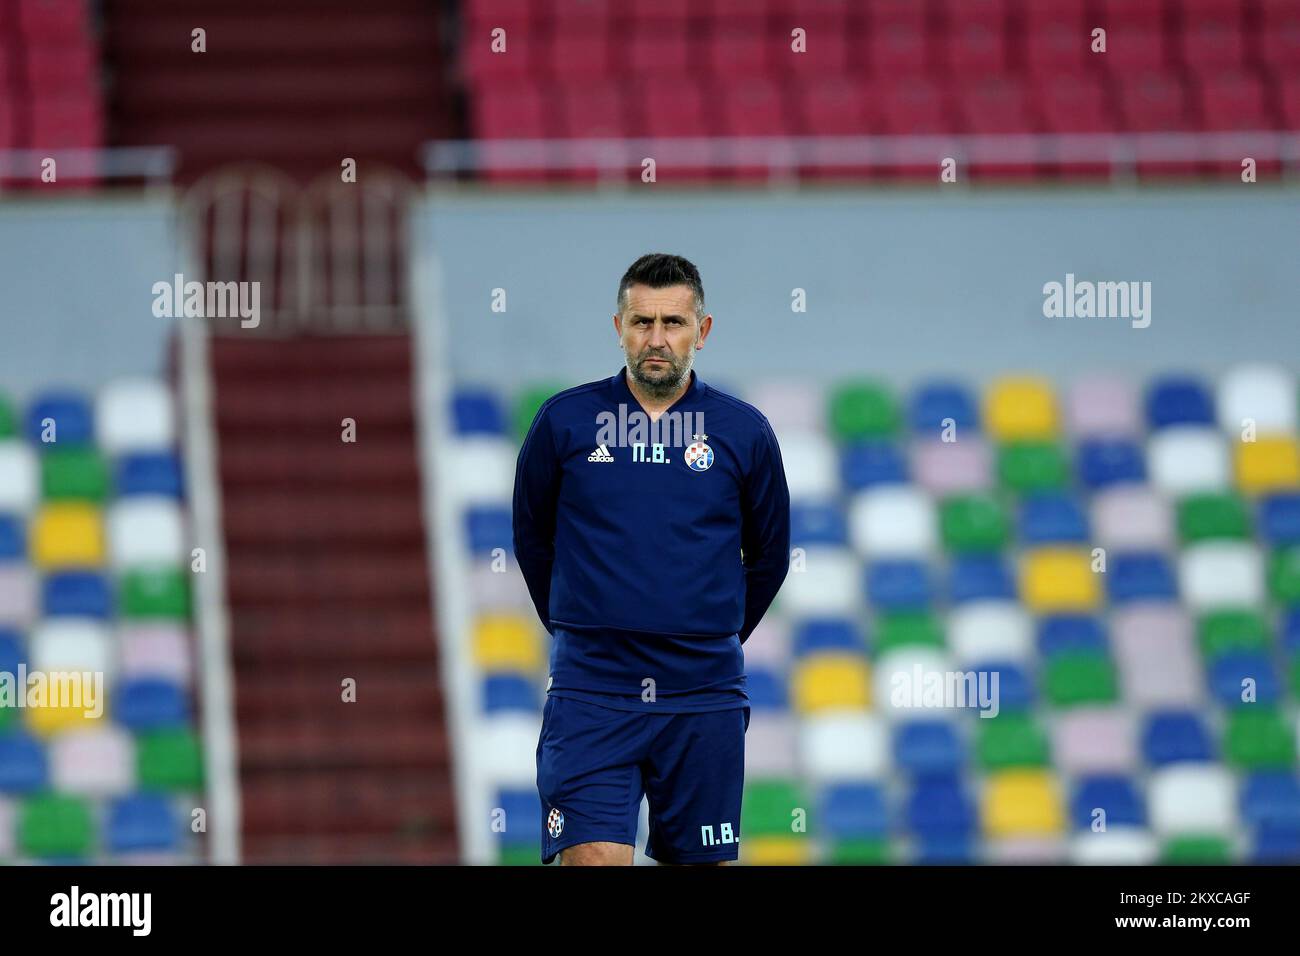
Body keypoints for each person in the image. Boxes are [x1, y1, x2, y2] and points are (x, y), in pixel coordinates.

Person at [512, 252, 791, 865]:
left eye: (673, 323)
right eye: (642, 323)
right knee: (595, 859)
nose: (656, 339)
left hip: (703, 694)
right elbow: (532, 542)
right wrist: (580, 625)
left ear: (703, 330)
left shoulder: (743, 432)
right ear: (618, 327)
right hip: (593, 691)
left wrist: (706, 633)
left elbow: (769, 556)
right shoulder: (566, 422)